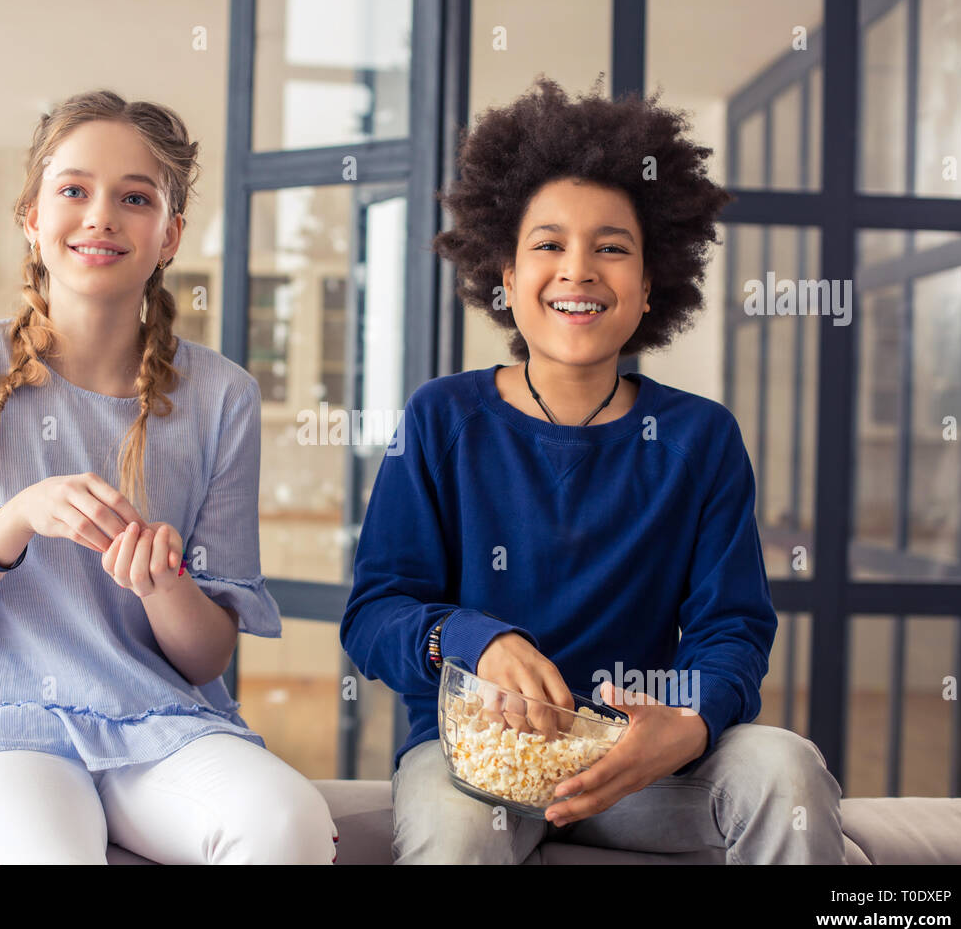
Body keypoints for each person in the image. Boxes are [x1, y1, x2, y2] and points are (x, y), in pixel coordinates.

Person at [339, 76, 844, 865]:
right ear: (505, 279)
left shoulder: (701, 439)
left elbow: (731, 629)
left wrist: (689, 724)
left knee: (787, 764)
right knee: (460, 832)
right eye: (547, 245)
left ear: (649, 287)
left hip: (639, 767)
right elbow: (375, 614)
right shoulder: (442, 419)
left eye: (611, 247)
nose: (578, 270)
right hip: (477, 765)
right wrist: (471, 638)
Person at [0, 90, 336, 864]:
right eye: (73, 189)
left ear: (169, 235)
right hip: (2, 724)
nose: (101, 216)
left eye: (135, 198)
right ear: (32, 219)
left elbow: (206, 657)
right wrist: (9, 524)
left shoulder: (224, 397)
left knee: (290, 823)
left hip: (162, 725)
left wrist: (163, 585)